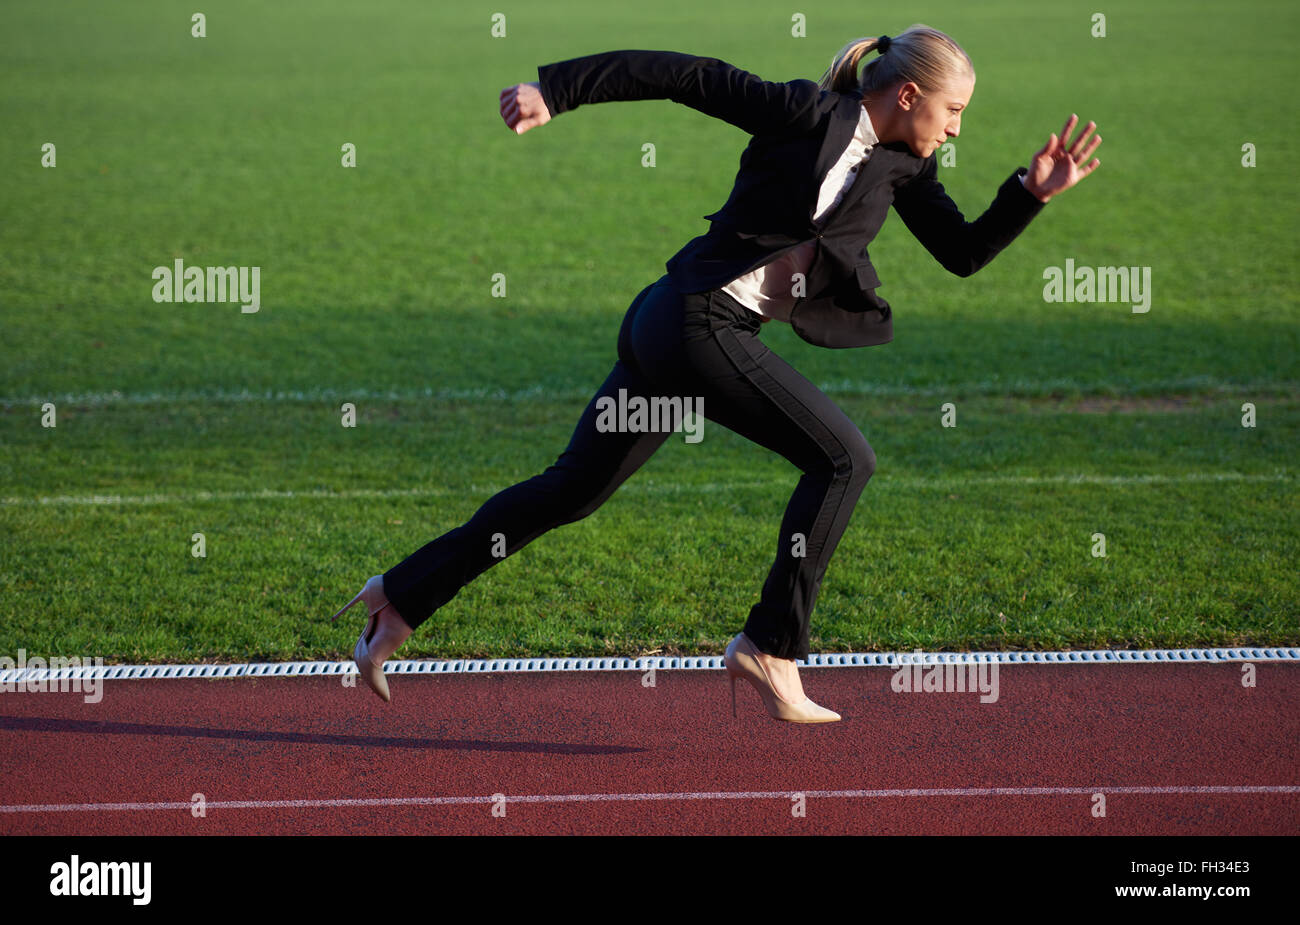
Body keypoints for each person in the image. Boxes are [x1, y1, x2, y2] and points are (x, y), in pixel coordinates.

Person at [330, 25, 1100, 722]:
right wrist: (554, 92)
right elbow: (683, 74)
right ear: (908, 94)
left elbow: (962, 253)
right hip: (691, 319)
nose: (958, 127)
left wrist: (1030, 193)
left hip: (677, 328)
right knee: (843, 458)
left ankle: (401, 597)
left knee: (571, 490)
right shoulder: (803, 113)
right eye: (953, 109)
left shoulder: (904, 168)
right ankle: (771, 644)